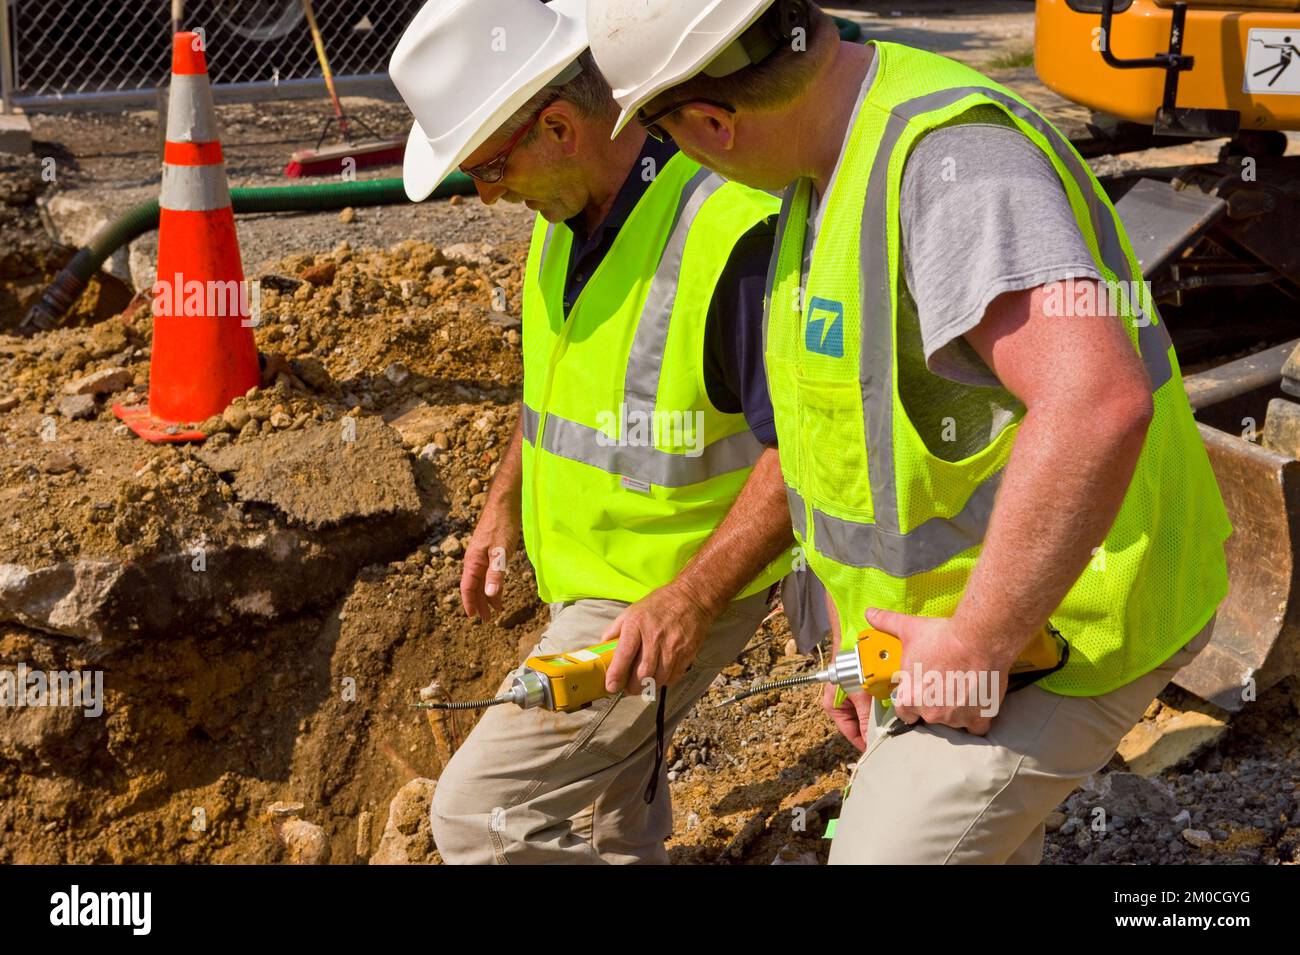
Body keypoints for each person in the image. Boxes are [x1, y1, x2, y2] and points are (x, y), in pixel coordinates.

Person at [585, 0, 1232, 863]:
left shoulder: (951, 162)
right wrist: (876, 652)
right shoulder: (827, 170)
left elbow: (1096, 403)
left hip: (1074, 622)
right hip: (970, 627)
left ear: (711, 122)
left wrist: (975, 644)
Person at [389, 0, 794, 863]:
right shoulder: (564, 215)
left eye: (491, 167)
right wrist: (504, 502)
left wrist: (691, 598)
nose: (489, 194)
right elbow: (557, 381)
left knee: (477, 816)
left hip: (661, 591)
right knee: (615, 825)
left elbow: (802, 449)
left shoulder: (725, 233)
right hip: (594, 583)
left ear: (562, 127)